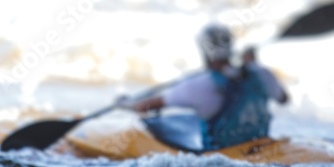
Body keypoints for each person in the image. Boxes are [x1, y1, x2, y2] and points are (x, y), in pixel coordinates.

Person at [117, 23, 289, 151]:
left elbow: (147, 106)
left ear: (204, 51)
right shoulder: (259, 72)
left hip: (224, 158)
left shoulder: (199, 85)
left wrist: (126, 104)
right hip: (262, 148)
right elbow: (283, 99)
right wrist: (252, 64)